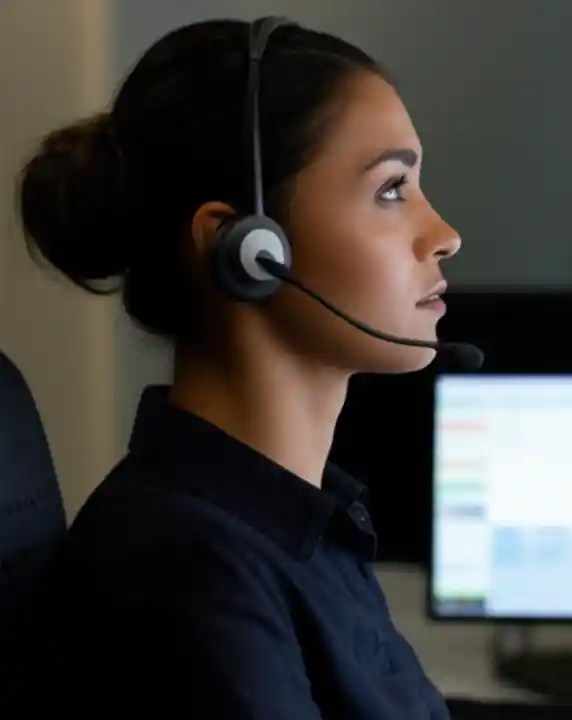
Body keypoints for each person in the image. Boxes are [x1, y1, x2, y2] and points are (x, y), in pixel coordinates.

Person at [10, 17, 459, 718]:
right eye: (391, 190)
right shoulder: (187, 576)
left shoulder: (300, 525)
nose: (445, 235)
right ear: (246, 247)